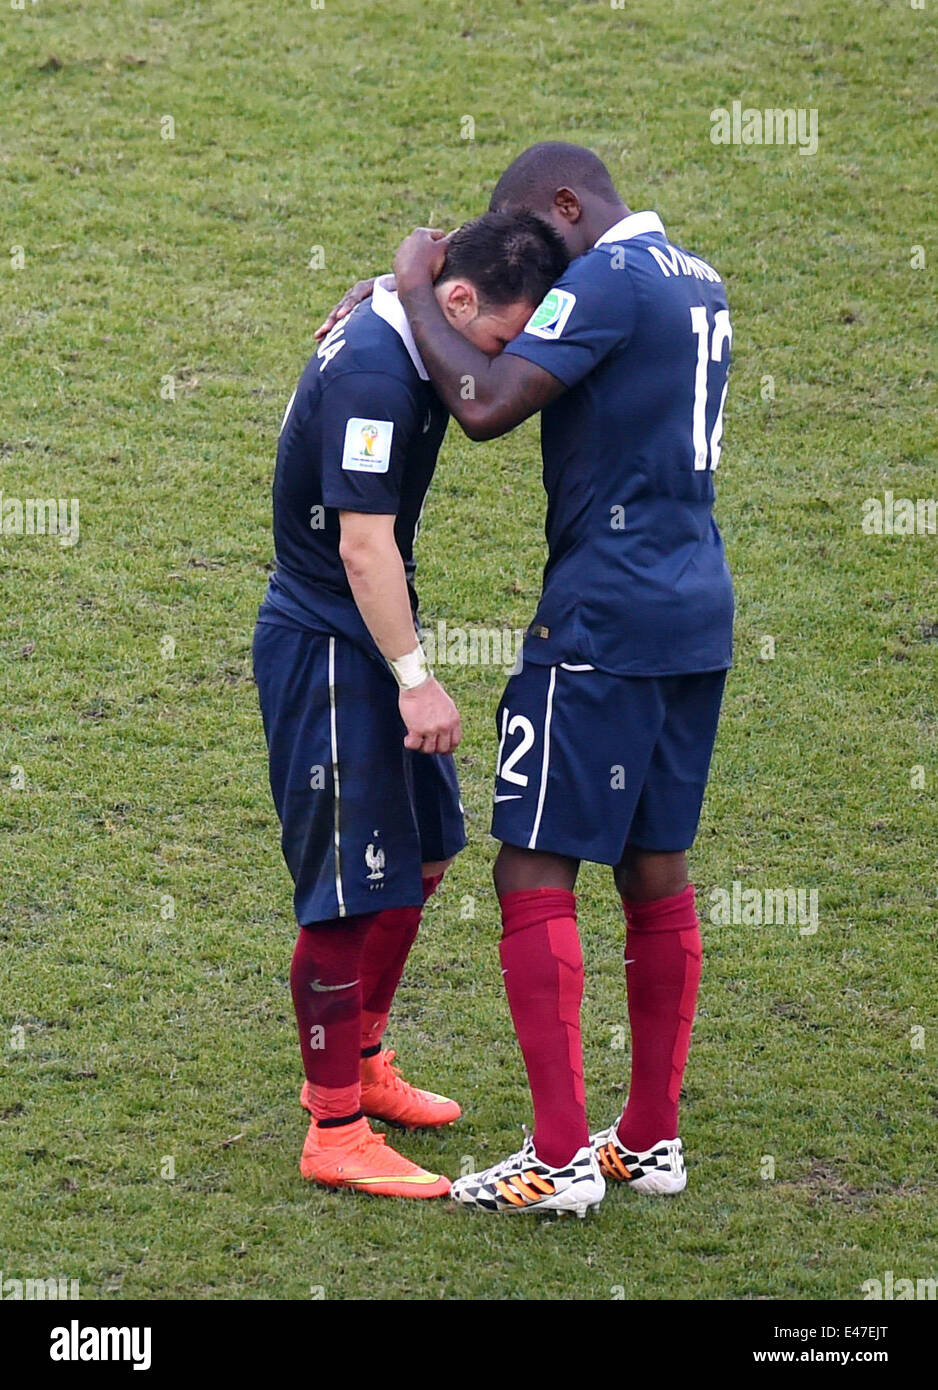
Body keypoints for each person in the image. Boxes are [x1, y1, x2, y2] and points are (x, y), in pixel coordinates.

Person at [318, 141, 734, 1217]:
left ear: (566, 205)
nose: (535, 262)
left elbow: (488, 401)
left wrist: (410, 285)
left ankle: (555, 1158)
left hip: (603, 614)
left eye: (536, 233)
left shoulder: (608, 276)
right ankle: (644, 1138)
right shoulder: (699, 278)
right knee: (654, 868)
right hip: (697, 609)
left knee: (532, 869)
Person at [253, 209, 569, 1200]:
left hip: (361, 635)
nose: (494, 368)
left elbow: (428, 243)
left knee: (426, 850)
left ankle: (365, 1058)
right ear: (457, 300)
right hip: (333, 649)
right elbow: (361, 545)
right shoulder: (375, 378)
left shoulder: (417, 300)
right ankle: (332, 1124)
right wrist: (413, 677)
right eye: (494, 341)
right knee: (345, 896)